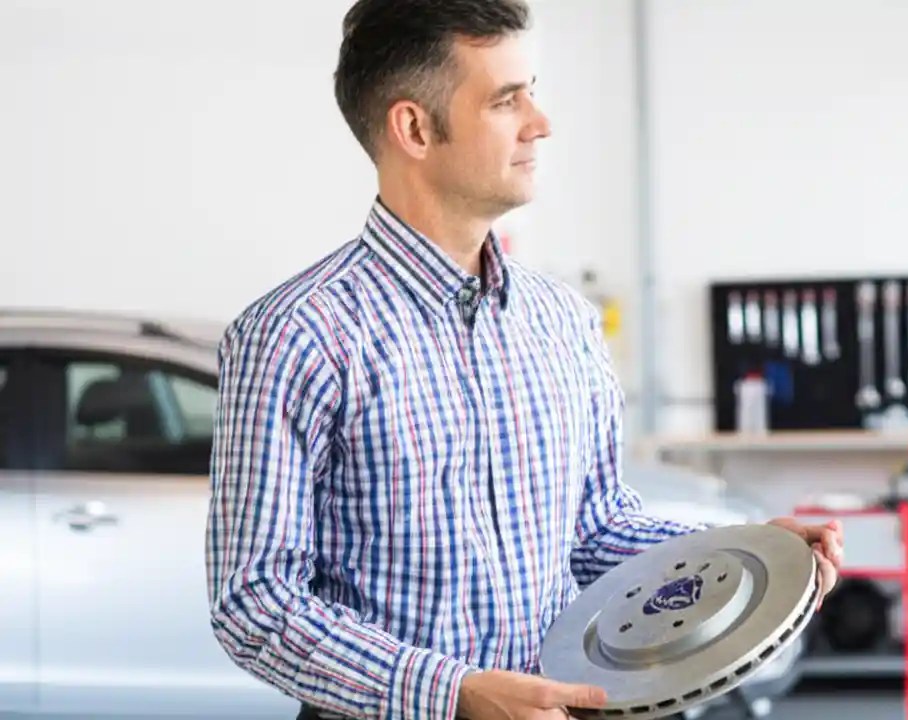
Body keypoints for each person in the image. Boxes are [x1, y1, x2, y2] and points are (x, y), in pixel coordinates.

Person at [203, 1, 842, 718]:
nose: (541, 122)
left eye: (531, 92)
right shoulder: (296, 334)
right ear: (414, 127)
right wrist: (454, 694)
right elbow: (255, 604)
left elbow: (594, 530)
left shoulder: (561, 321)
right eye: (507, 100)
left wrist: (743, 551)